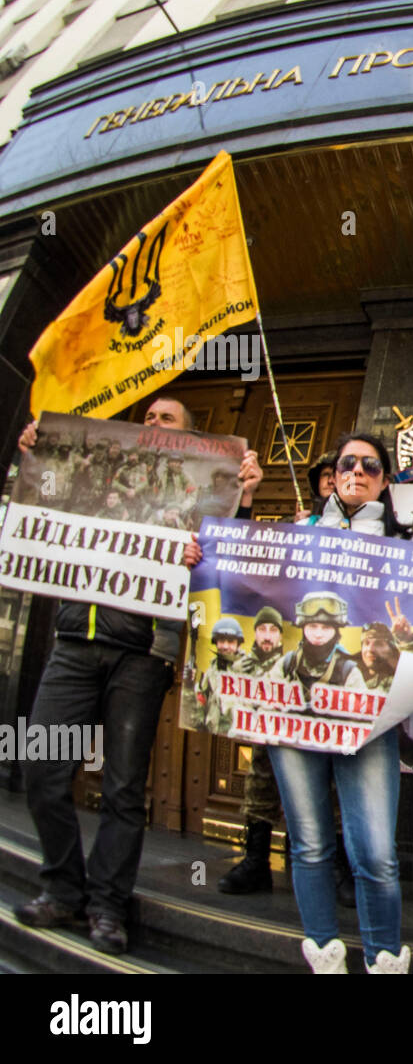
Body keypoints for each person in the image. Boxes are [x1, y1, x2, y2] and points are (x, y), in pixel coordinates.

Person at [14, 396, 262, 954]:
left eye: (167, 418)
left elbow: (225, 554)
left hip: (142, 654)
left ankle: (106, 906)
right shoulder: (104, 480)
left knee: (125, 788)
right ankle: (62, 887)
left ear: (190, 441)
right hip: (74, 644)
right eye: (147, 417)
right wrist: (36, 459)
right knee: (42, 771)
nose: (153, 422)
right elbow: (46, 504)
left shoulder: (197, 495)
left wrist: (240, 499)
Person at [187, 432, 413, 973]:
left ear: (386, 480)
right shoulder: (298, 534)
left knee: (376, 854)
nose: (357, 471)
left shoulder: (405, 544)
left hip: (367, 718)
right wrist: (209, 551)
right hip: (295, 713)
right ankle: (325, 956)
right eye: (346, 464)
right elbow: (243, 574)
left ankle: (384, 959)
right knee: (310, 844)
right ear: (332, 476)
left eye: (371, 465)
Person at [220, 606, 287, 896]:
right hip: (261, 742)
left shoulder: (292, 661)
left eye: (273, 630)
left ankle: (326, 866)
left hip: (298, 735)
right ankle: (257, 861)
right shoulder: (242, 663)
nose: (267, 636)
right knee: (259, 786)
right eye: (262, 629)